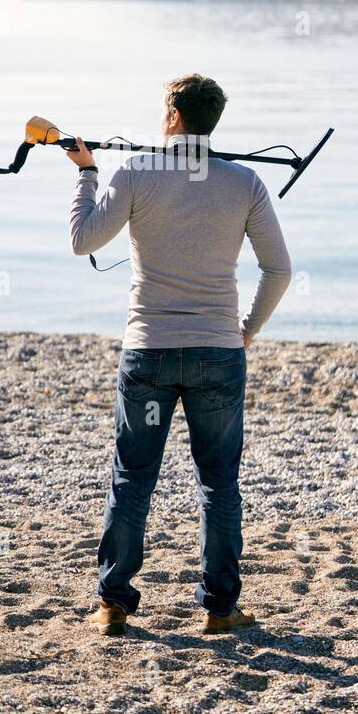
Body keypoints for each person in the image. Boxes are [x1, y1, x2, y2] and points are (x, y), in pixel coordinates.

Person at [66, 73, 292, 636]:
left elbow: (83, 241)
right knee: (218, 481)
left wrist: (87, 174)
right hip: (218, 353)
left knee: (133, 476)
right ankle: (219, 608)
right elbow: (279, 269)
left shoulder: (136, 172)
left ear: (171, 117)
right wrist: (247, 331)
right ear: (211, 121)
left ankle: (112, 602)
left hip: (149, 355)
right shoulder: (244, 182)